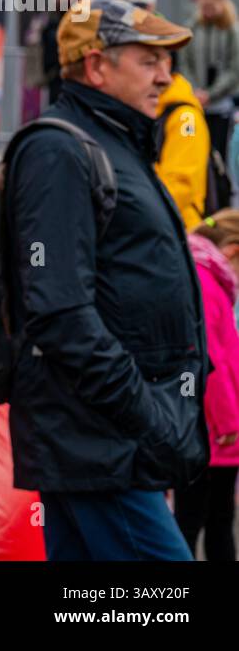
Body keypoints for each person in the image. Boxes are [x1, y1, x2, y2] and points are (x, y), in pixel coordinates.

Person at [7, 0, 207, 561]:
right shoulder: (59, 150)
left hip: (109, 441)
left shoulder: (117, 140)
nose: (167, 77)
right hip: (102, 442)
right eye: (149, 61)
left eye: (168, 63)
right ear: (96, 66)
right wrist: (145, 413)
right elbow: (58, 310)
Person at [174, 212, 239, 561]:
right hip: (215, 435)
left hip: (204, 430)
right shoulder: (209, 285)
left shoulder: (198, 278)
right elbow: (212, 363)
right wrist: (229, 422)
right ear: (230, 252)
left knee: (197, 519)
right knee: (211, 521)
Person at [179, 0, 239, 153]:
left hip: (221, 104)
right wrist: (196, 91)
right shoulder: (192, 28)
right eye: (204, 8)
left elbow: (234, 69)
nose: (208, 13)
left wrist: (210, 94)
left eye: (211, 8)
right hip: (195, 101)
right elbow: (185, 63)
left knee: (219, 152)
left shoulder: (231, 31)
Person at [155, 53, 211, 230]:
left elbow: (181, 184)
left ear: (168, 64)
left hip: (181, 228)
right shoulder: (155, 109)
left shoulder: (186, 117)